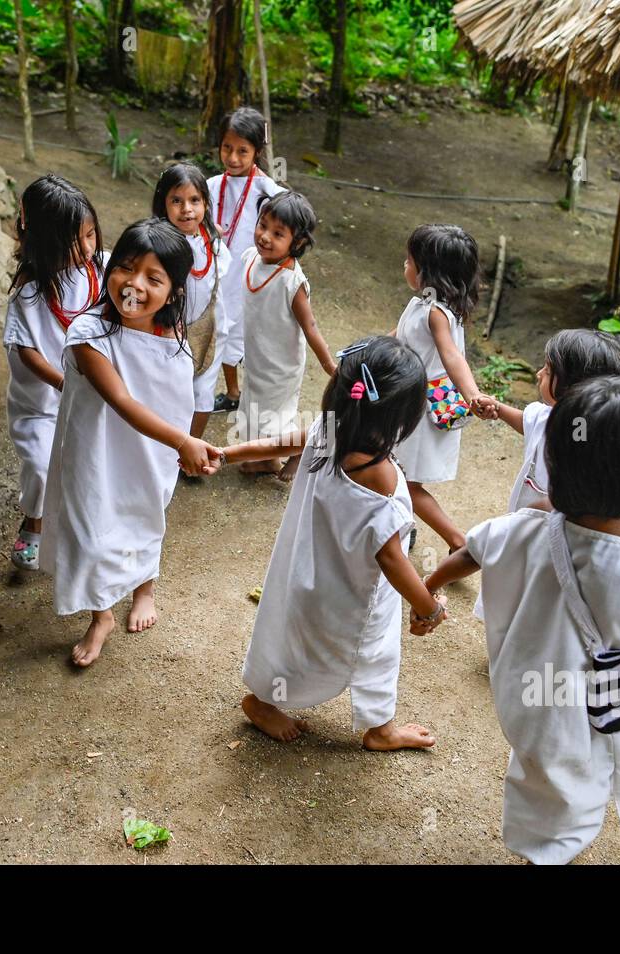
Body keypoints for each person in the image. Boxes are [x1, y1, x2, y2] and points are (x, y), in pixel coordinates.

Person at [426, 377, 620, 863]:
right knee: (572, 799)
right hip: (580, 714)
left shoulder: (523, 528)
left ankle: (537, 836)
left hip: (521, 696)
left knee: (537, 767)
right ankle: (545, 852)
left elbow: (469, 552)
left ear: (554, 462)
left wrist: (427, 589)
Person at [220, 336, 445, 750]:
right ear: (403, 417)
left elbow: (280, 443)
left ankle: (266, 701)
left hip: (304, 576)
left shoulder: (328, 433)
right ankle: (381, 731)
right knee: (377, 656)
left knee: (293, 644)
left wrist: (224, 454)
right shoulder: (381, 476)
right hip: (354, 595)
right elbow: (392, 558)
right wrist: (427, 606)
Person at [40, 218, 222, 667]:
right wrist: (184, 441)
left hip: (151, 449)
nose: (133, 284)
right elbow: (120, 399)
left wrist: (176, 444)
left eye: (153, 278)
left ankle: (144, 587)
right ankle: (101, 613)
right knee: (92, 527)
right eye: (125, 268)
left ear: (175, 291)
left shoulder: (171, 334)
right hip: (97, 450)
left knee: (147, 509)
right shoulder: (88, 335)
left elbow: (173, 392)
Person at [2, 174, 105, 570]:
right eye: (74, 241)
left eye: (91, 235)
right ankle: (34, 522)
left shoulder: (98, 271)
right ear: (45, 242)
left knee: (84, 464)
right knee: (43, 468)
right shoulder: (28, 293)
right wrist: (62, 381)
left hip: (87, 393)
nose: (86, 248)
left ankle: (77, 526)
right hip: (40, 405)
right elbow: (26, 351)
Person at [392, 225, 499, 551]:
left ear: (428, 273)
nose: (404, 266)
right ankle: (401, 525)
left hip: (423, 409)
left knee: (404, 482)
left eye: (409, 261)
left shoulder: (438, 313)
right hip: (408, 400)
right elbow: (399, 335)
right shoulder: (423, 304)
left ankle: (457, 541)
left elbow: (452, 357)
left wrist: (473, 395)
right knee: (398, 475)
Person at [235, 190, 337, 478]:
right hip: (257, 357)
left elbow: (311, 327)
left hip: (281, 365)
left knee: (272, 418)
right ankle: (267, 458)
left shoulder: (292, 282)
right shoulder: (252, 258)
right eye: (263, 225)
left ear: (298, 242)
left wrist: (329, 364)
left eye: (278, 233)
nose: (265, 236)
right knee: (253, 408)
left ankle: (304, 446)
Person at [492, 329, 620, 514]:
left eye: (548, 371)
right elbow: (528, 423)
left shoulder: (591, 436)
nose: (539, 374)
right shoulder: (548, 415)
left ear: (574, 385)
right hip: (526, 521)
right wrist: (498, 409)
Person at [205, 107, 284, 413]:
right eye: (227, 148)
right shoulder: (210, 187)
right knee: (216, 332)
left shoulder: (268, 191)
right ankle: (227, 392)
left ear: (257, 151)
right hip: (216, 273)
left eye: (242, 151)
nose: (233, 158)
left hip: (250, 275)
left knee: (245, 337)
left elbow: (292, 221)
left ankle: (246, 394)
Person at [151, 162, 232, 447]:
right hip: (168, 331)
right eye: (177, 201)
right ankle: (161, 446)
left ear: (206, 204)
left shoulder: (212, 242)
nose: (187, 209)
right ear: (164, 204)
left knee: (203, 393)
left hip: (209, 329)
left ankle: (190, 448)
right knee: (167, 390)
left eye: (194, 200)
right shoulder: (158, 245)